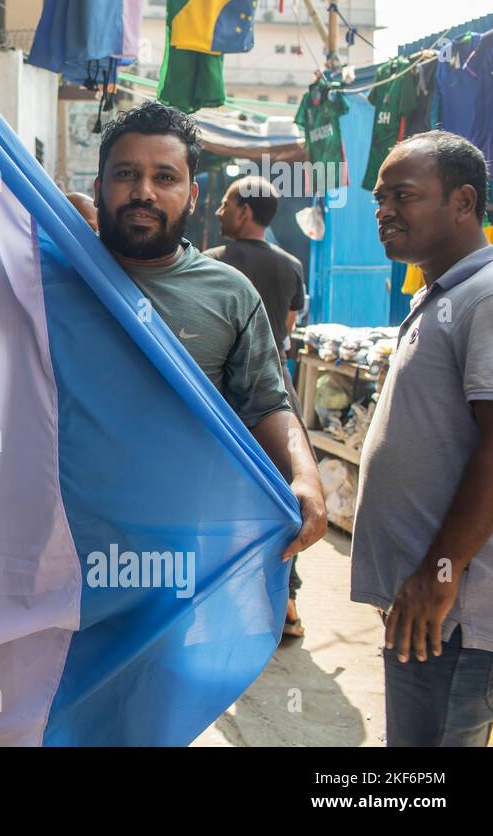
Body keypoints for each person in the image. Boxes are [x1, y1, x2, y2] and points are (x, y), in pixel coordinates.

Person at [92, 101, 326, 572]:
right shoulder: (51, 275)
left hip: (174, 553)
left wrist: (305, 475)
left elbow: (265, 404)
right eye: (125, 175)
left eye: (165, 178)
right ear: (99, 188)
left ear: (193, 195)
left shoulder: (230, 294)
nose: (144, 193)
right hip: (56, 542)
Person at [352, 130, 493, 747]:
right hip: (434, 608)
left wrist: (439, 572)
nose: (384, 210)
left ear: (463, 202)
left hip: (450, 616)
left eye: (402, 196)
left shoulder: (484, 297)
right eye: (380, 198)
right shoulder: (445, 295)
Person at [206, 174, 309, 636]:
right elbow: (285, 328)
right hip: (276, 393)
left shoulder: (212, 265)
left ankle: (226, 599)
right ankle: (287, 602)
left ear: (245, 211)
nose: (219, 211)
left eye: (227, 203)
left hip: (224, 398)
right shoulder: (291, 267)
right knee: (283, 494)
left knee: (223, 499)